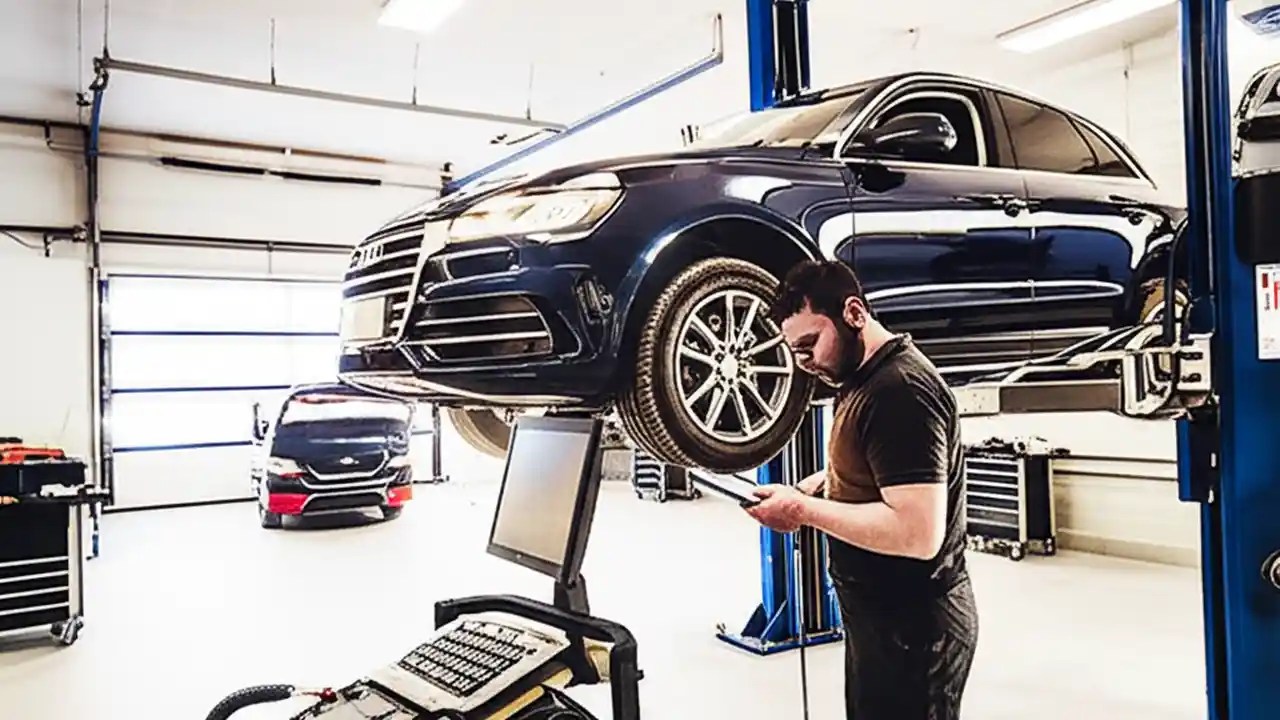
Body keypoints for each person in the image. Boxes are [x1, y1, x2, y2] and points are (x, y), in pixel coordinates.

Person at [743, 260, 978, 720]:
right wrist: (811, 487)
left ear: (853, 313)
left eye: (810, 344)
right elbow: (870, 473)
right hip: (884, 622)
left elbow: (916, 533)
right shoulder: (860, 378)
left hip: (915, 632)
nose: (804, 362)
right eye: (795, 351)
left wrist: (804, 511)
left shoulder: (900, 392)